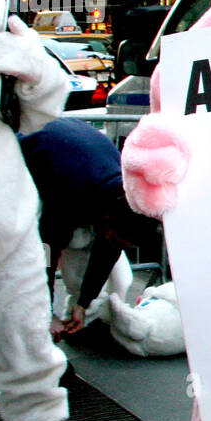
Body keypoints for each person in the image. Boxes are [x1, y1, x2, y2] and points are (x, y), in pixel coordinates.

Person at [17, 117, 154, 337]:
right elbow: (46, 255)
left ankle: (80, 313)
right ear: (108, 219)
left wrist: (83, 303)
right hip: (25, 154)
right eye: (116, 238)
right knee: (39, 248)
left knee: (109, 261)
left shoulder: (124, 201)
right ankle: (30, 330)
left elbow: (108, 250)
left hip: (68, 144)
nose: (115, 244)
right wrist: (46, 313)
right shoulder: (70, 197)